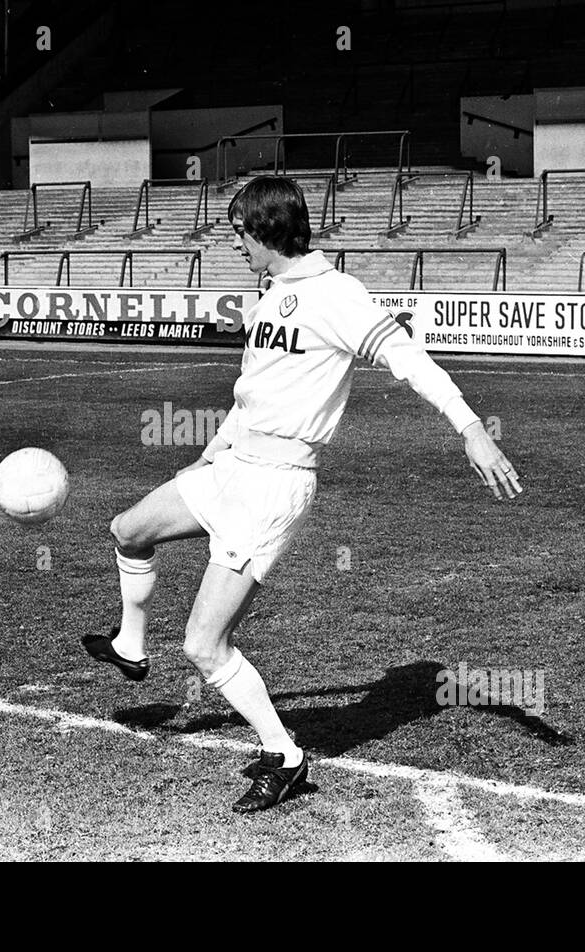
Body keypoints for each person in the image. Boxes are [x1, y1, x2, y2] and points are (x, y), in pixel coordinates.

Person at [83, 176, 522, 813]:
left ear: (267, 229)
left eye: (238, 231)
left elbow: (410, 360)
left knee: (205, 646)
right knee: (129, 529)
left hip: (273, 486)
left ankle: (283, 755)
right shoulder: (271, 297)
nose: (234, 243)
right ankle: (129, 645)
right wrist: (212, 450)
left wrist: (473, 430)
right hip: (230, 467)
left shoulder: (335, 295)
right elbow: (252, 389)